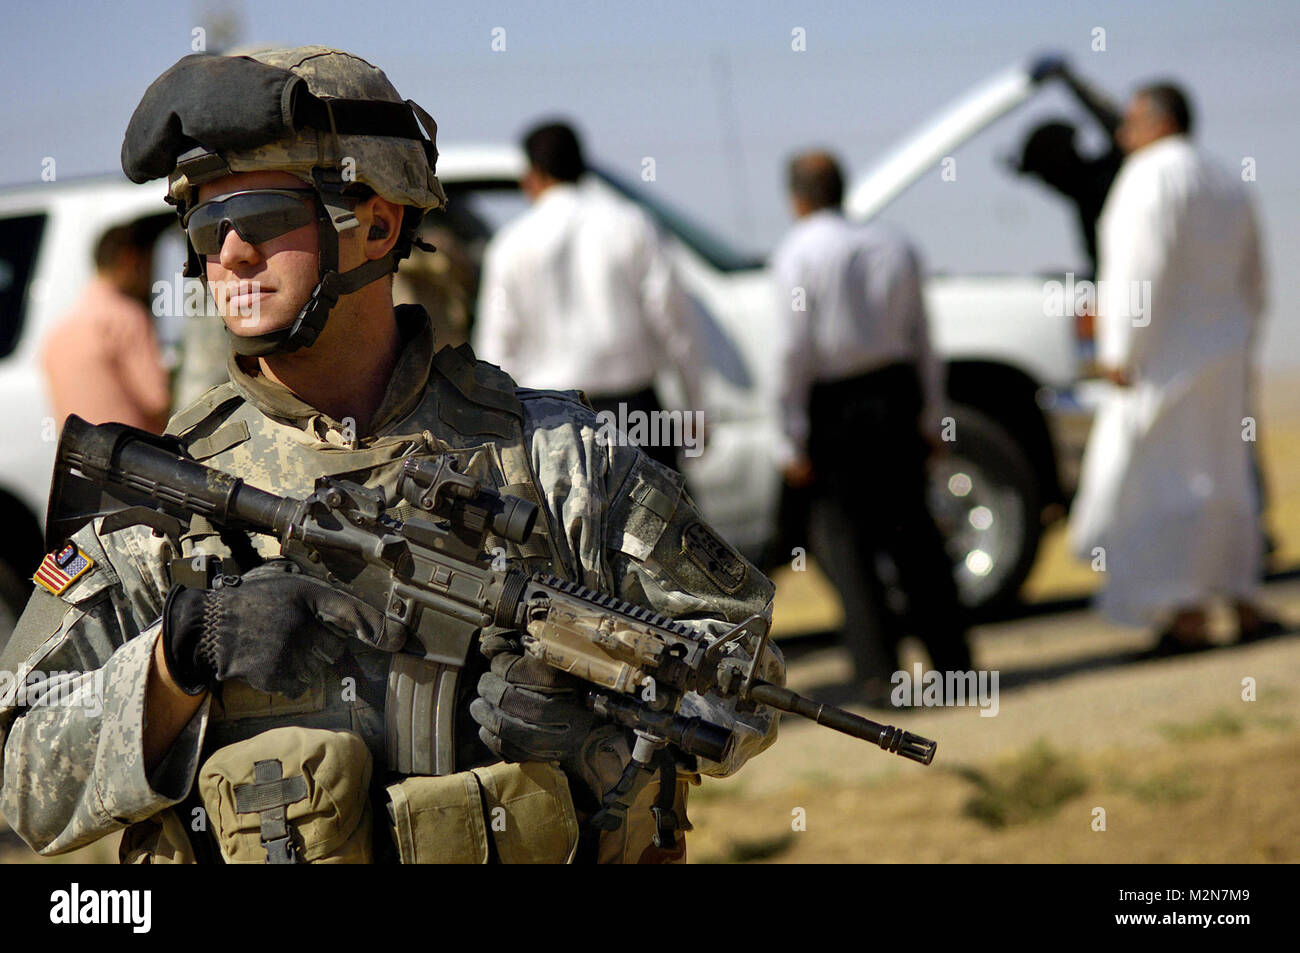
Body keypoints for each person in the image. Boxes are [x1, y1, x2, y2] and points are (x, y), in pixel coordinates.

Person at [0, 47, 781, 864]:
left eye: (263, 219)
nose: (227, 256)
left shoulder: (552, 457)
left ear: (375, 222)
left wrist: (597, 719)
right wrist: (178, 656)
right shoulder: (162, 499)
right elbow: (26, 786)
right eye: (205, 225)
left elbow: (743, 669)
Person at [1067, 81, 1285, 654]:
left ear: (1157, 122)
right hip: (1224, 358)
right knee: (1225, 479)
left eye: (1130, 121)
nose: (1121, 134)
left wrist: (1120, 352)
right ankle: (1242, 600)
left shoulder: (1148, 177)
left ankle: (1186, 614)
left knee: (1166, 482)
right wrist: (1241, 338)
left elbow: (1139, 270)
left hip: (1164, 360)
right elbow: (1256, 279)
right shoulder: (1224, 179)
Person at [771, 150, 971, 700]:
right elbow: (925, 338)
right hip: (895, 395)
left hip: (835, 407)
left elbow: (792, 352)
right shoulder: (893, 244)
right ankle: (953, 669)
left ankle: (878, 673)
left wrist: (790, 435)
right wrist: (933, 413)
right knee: (917, 536)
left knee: (850, 547)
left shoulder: (797, 254)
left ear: (796, 198)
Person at [473, 121, 704, 472]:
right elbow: (674, 321)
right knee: (651, 523)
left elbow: (496, 349)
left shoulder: (510, 244)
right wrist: (694, 411)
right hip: (635, 416)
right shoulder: (631, 224)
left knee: (566, 527)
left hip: (551, 423)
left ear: (532, 175)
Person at [42, 220, 172, 433]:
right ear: (130, 260)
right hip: (135, 458)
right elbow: (157, 400)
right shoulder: (126, 317)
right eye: (150, 264)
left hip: (81, 460)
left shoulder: (58, 333)